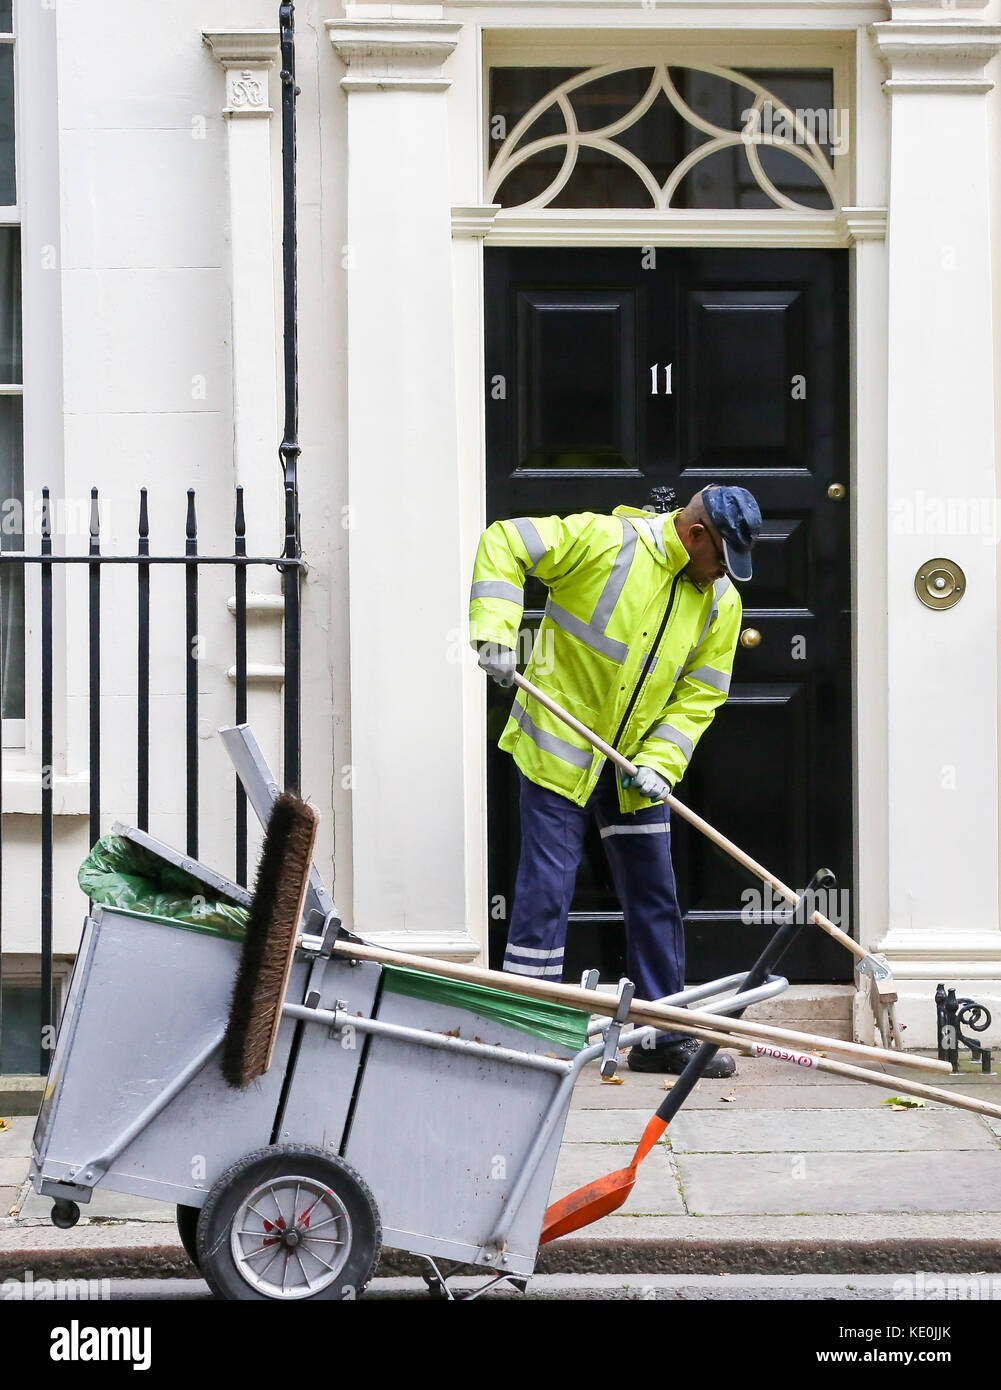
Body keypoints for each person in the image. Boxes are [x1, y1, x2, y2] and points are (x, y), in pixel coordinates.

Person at [469, 485, 762, 1076]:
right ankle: (530, 1035)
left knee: (654, 893)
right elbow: (505, 541)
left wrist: (661, 762)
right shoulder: (605, 541)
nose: (723, 574)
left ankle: (661, 1035)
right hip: (559, 752)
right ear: (696, 533)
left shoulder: (719, 601)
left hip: (634, 771)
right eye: (722, 558)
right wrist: (496, 629)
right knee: (546, 889)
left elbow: (697, 696)